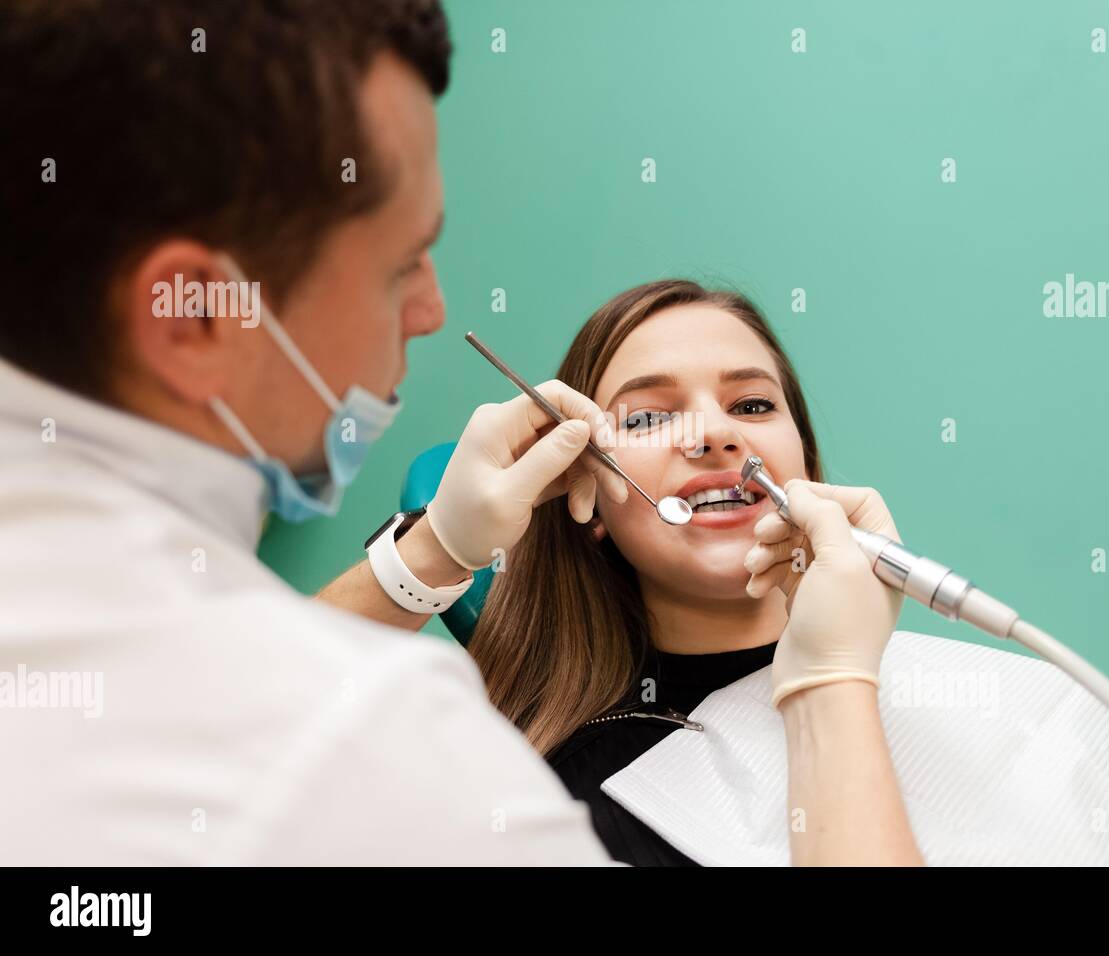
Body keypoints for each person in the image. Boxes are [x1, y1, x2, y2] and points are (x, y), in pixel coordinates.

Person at [0, 0, 912, 865]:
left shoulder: (1005, 710)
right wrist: (829, 686)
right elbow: (260, 716)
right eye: (402, 266)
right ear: (193, 320)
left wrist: (433, 549)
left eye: (753, 404)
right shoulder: (432, 766)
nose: (434, 309)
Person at [456, 280, 1109, 867]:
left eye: (751, 403)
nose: (717, 432)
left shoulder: (1025, 704)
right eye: (648, 419)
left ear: (802, 462)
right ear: (585, 494)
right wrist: (827, 683)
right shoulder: (554, 807)